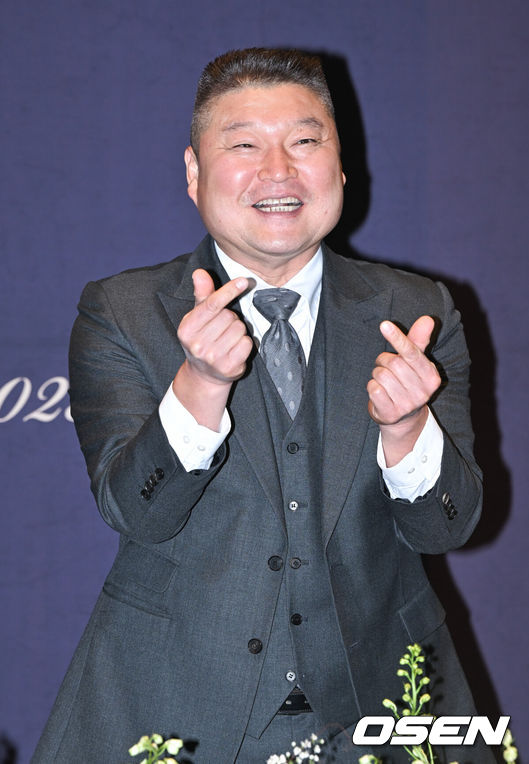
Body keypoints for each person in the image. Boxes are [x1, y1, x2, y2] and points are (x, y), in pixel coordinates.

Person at [33, 48, 493, 764]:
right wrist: (198, 386)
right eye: (244, 145)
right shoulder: (123, 311)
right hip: (173, 707)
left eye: (305, 141)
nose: (278, 171)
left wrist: (408, 429)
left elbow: (447, 527)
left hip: (379, 706)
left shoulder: (416, 311)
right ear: (194, 173)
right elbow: (135, 512)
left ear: (341, 167)